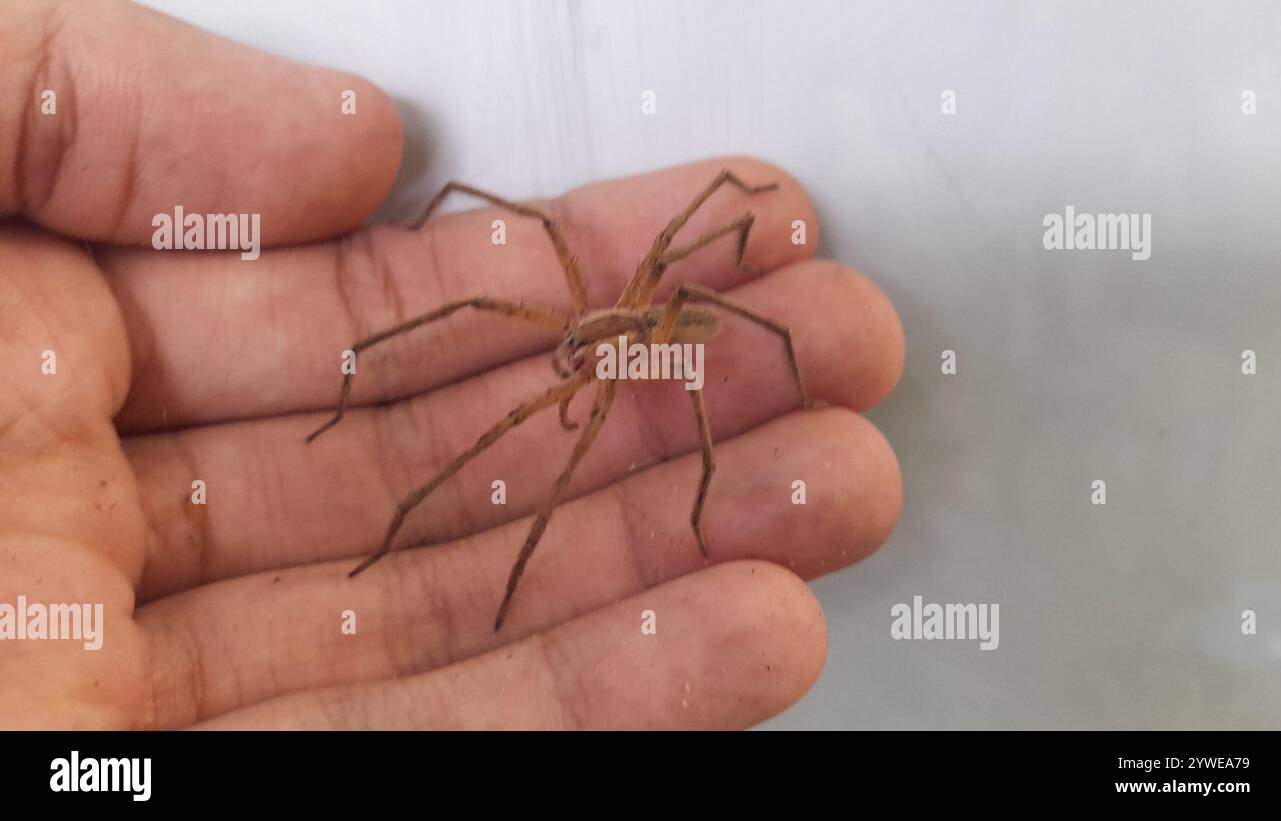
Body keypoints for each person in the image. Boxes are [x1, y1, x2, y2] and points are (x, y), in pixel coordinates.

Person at [0, 0, 904, 729]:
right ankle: (403, 514)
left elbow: (674, 333)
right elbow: (499, 301)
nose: (567, 355)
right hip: (617, 323)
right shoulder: (568, 321)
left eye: (578, 349)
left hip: (662, 336)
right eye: (573, 344)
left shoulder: (646, 330)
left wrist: (710, 459)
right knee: (477, 310)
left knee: (582, 421)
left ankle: (491, 551)